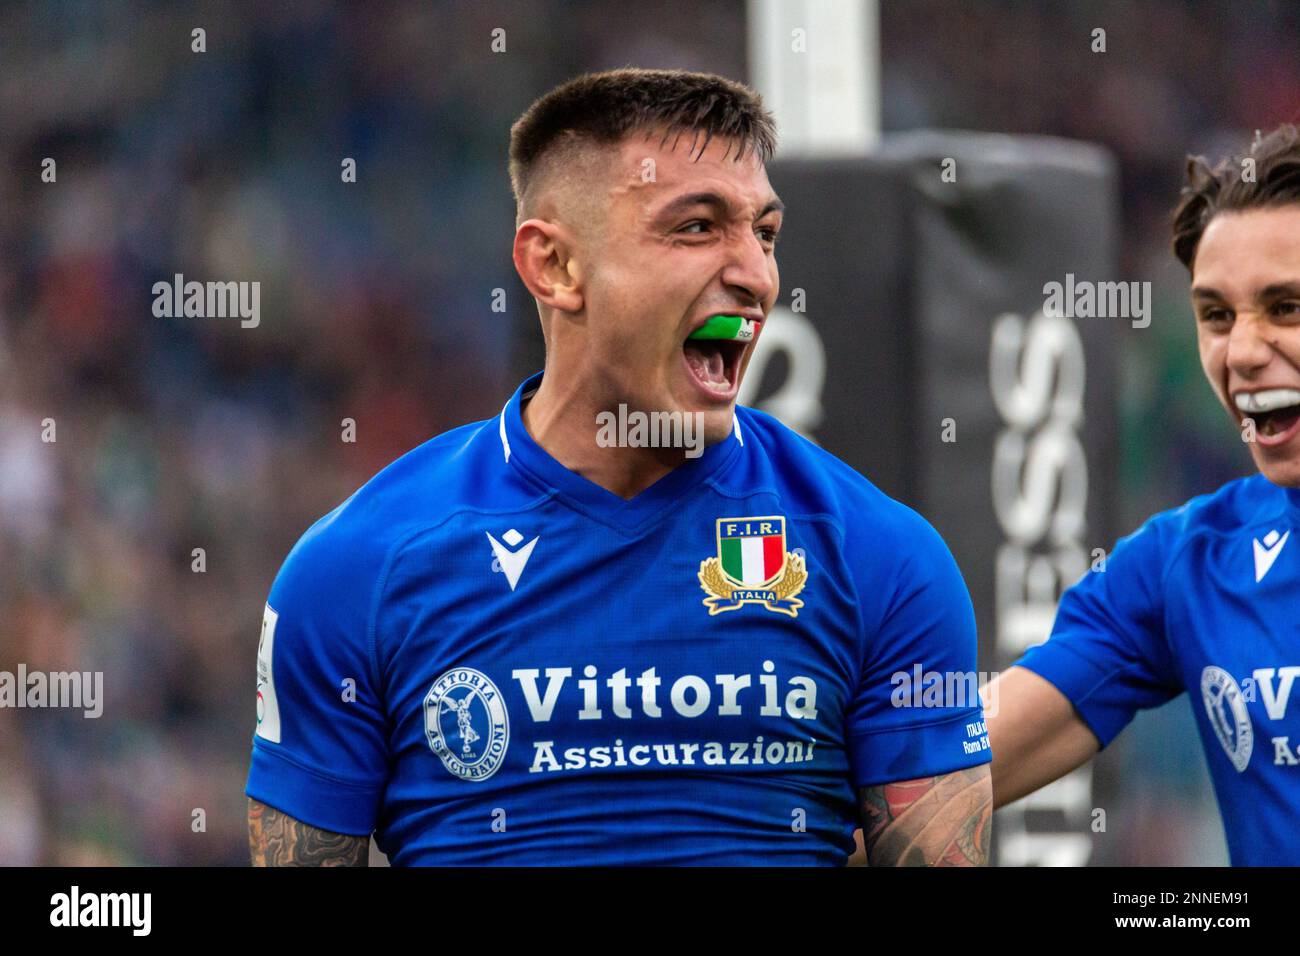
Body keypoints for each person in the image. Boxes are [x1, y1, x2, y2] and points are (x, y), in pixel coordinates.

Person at [245, 68, 991, 866]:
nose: (756, 273)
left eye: (764, 233)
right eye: (699, 227)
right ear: (556, 267)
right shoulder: (356, 571)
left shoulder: (884, 561)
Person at [987, 124, 1300, 865]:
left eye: (1285, 307)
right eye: (1216, 315)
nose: (1243, 352)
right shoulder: (1184, 565)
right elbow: (942, 771)